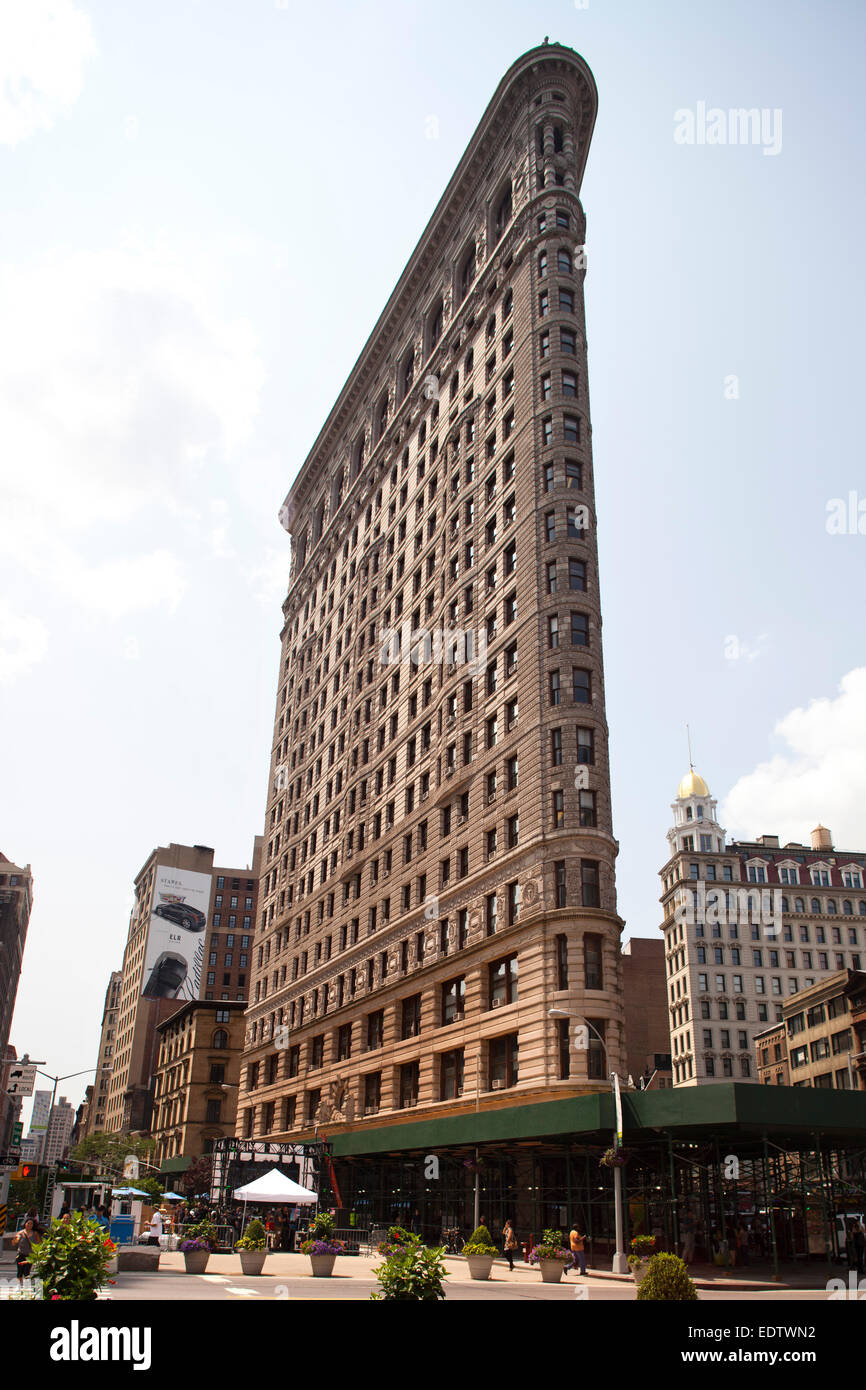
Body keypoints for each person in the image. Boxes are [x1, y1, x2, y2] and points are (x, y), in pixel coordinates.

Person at [13, 1218, 40, 1287]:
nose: (29, 1225)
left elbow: (39, 1243)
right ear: (25, 1224)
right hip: (20, 1255)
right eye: (28, 1223)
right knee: (19, 1271)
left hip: (30, 1256)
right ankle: (19, 1285)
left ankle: (26, 1286)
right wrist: (16, 1239)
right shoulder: (20, 1233)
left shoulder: (35, 1233)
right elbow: (13, 1243)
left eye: (31, 1224)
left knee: (26, 1271)